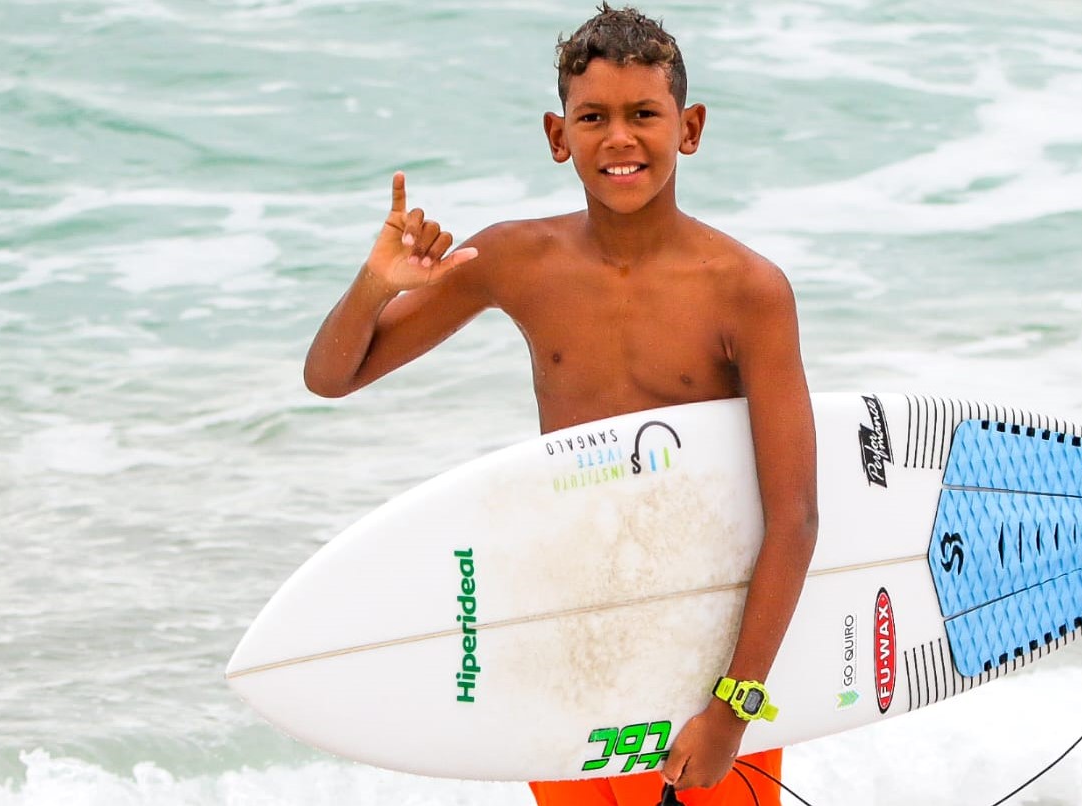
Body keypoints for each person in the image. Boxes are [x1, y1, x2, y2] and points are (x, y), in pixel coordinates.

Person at [303, 4, 817, 805]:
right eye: (593, 117)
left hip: (703, 648)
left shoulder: (745, 291)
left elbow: (794, 515)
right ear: (556, 135)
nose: (619, 138)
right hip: (567, 632)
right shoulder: (514, 259)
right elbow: (332, 377)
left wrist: (734, 707)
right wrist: (375, 287)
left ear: (689, 127)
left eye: (644, 114)